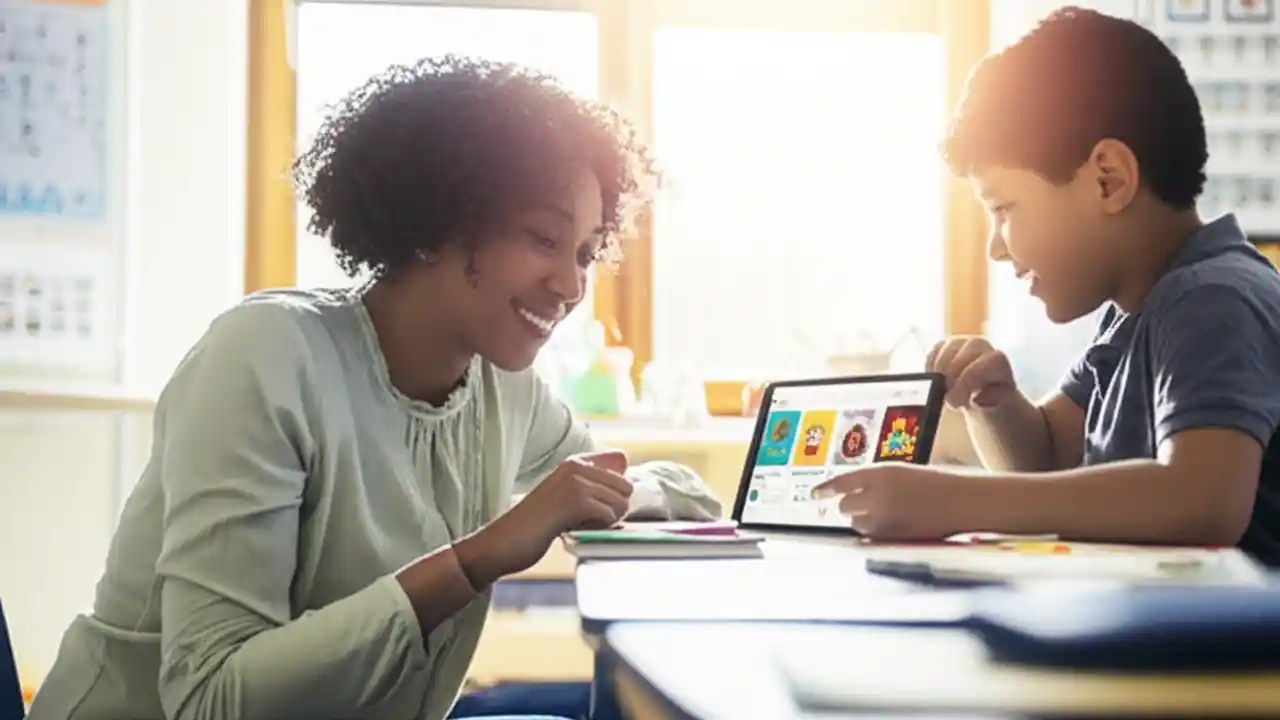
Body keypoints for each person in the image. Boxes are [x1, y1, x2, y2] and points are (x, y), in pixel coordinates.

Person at [29, 56, 719, 720]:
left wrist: (637, 494)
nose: (572, 287)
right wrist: (481, 557)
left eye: (585, 253)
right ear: (435, 225)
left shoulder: (505, 388)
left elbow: (648, 489)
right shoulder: (267, 356)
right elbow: (212, 699)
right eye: (543, 238)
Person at [814, 7, 1280, 566]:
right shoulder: (1133, 312)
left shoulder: (1214, 297)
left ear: (1108, 180)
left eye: (1004, 208)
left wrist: (953, 500)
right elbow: (1048, 458)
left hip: (1239, 648)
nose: (996, 246)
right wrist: (997, 405)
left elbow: (1201, 500)